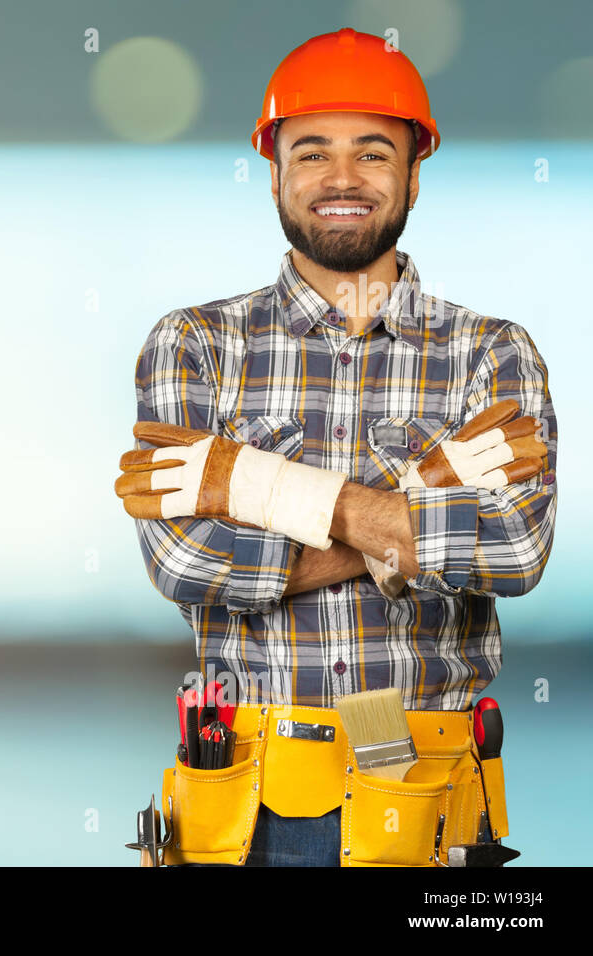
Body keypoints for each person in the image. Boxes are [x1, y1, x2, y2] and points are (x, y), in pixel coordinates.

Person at [117, 28, 557, 867]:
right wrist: (424, 496)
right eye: (312, 151)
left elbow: (518, 551)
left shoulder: (495, 353)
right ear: (274, 169)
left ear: (415, 174)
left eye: (374, 154)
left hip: (433, 795)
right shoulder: (195, 344)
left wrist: (257, 487)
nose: (343, 178)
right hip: (248, 798)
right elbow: (188, 565)